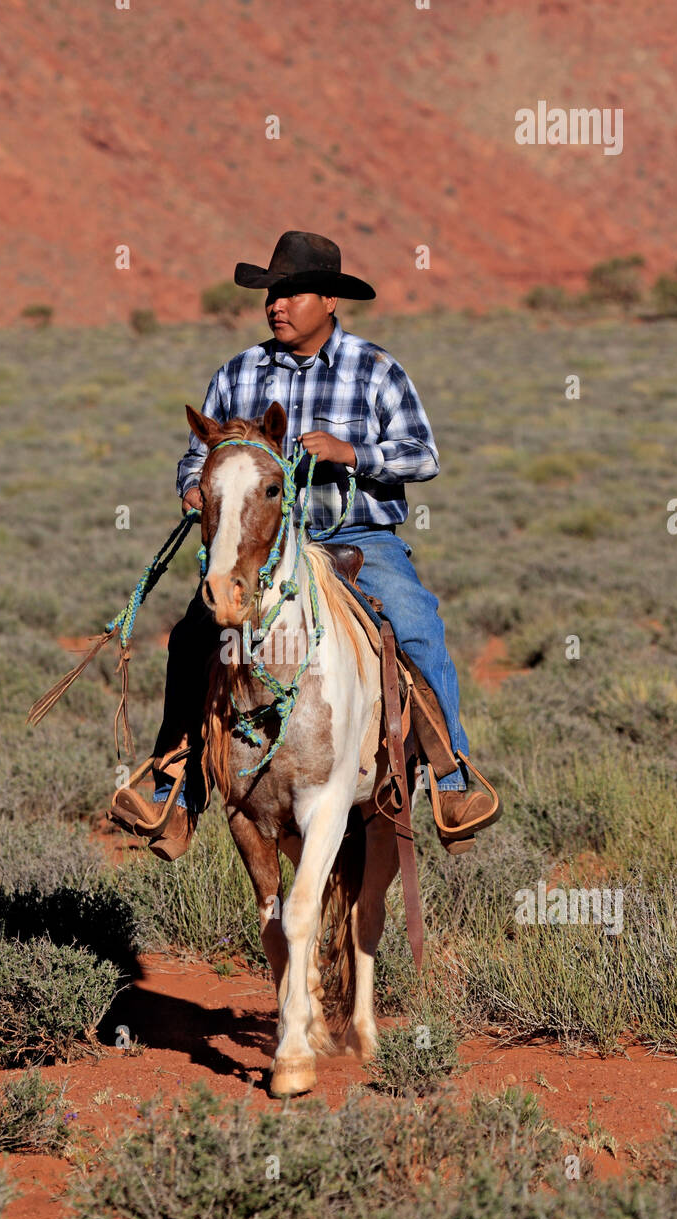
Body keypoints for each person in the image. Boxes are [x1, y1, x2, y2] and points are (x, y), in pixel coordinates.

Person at [111, 230, 497, 859]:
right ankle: (175, 788)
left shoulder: (374, 370)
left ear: (329, 301)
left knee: (415, 621)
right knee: (191, 637)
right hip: (259, 552)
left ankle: (452, 780)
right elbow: (196, 456)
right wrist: (195, 489)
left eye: (291, 293)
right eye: (271, 294)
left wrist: (354, 454)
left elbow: (422, 455)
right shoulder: (238, 373)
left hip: (356, 539)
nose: (276, 305)